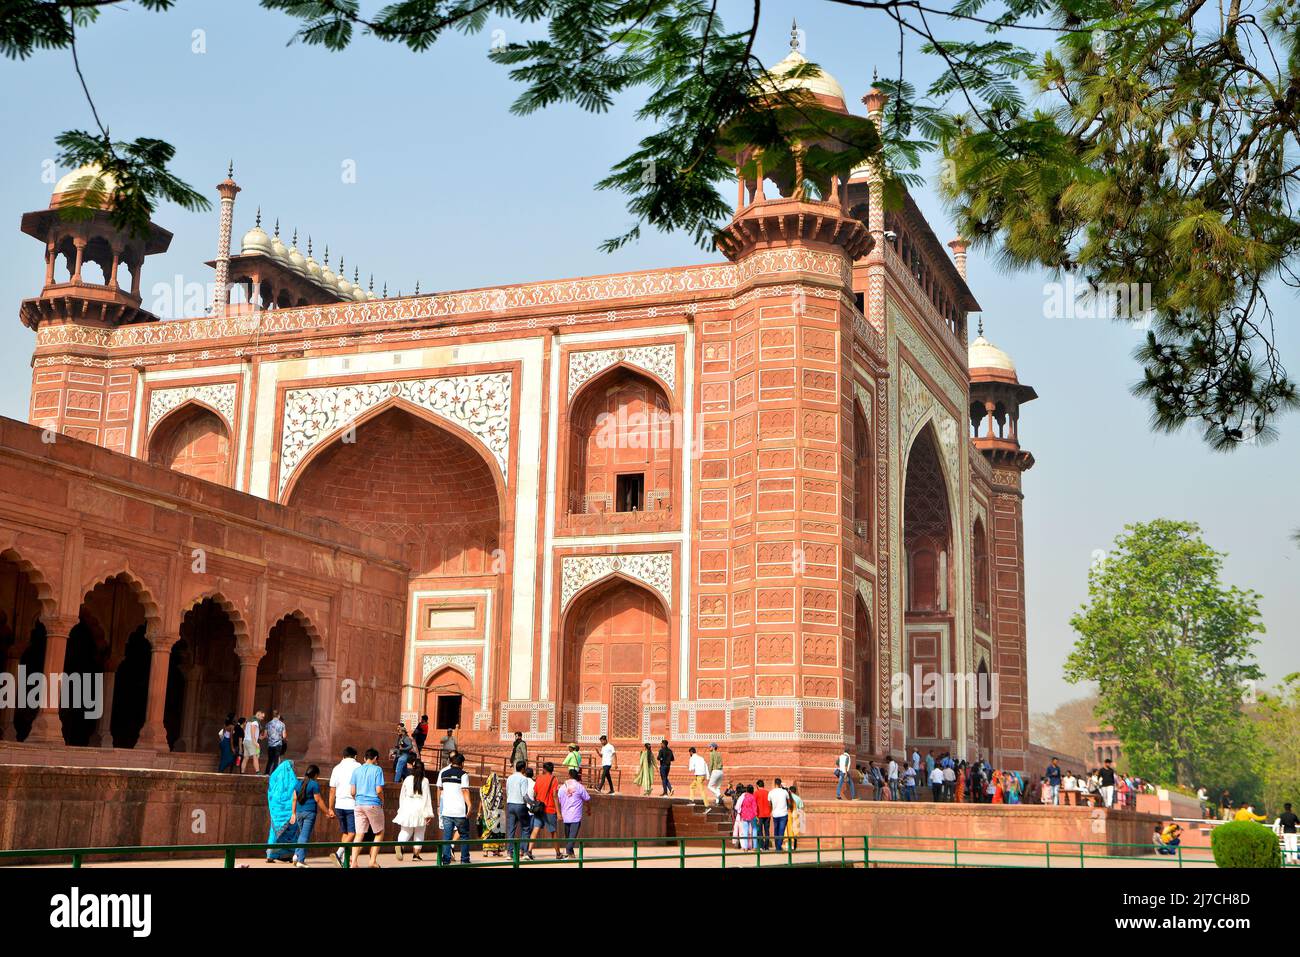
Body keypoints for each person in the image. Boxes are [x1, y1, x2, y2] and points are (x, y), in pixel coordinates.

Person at [350, 748, 386, 868]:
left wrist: (358, 799)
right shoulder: (377, 769)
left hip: (359, 803)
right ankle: (372, 861)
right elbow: (379, 790)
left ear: (365, 758)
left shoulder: (356, 770)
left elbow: (352, 791)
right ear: (375, 758)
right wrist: (382, 800)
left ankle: (354, 862)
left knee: (359, 834)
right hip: (373, 803)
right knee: (379, 832)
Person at [393, 758, 434, 862]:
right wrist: (428, 813)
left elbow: (402, 794)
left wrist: (401, 808)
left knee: (405, 830)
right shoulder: (425, 781)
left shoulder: (407, 779)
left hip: (407, 806)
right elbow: (427, 797)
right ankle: (416, 855)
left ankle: (400, 845)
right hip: (420, 807)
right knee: (420, 832)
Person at [436, 752, 473, 865]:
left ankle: (445, 860)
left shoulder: (444, 774)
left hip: (447, 811)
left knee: (446, 837)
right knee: (464, 836)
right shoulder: (463, 775)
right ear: (462, 763)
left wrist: (438, 805)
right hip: (460, 811)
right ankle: (464, 860)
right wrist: (470, 805)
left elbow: (439, 789)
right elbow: (465, 790)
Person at [290, 764, 327, 867]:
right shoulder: (314, 784)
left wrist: (293, 813)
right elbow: (318, 799)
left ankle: (296, 856)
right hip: (309, 813)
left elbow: (294, 799)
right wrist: (327, 812)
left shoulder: (298, 783)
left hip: (299, 813)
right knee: (304, 836)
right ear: (315, 775)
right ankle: (300, 860)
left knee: (302, 835)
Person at [327, 746, 358, 867]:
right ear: (355, 756)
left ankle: (345, 859)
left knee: (345, 833)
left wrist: (330, 807)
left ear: (343, 756)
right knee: (353, 833)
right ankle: (338, 853)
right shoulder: (358, 767)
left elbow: (332, 790)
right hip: (352, 804)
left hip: (339, 804)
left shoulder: (337, 768)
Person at [265, 759, 299, 862]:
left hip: (276, 812)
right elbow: (294, 795)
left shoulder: (274, 777)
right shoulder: (293, 779)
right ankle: (288, 854)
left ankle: (270, 855)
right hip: (288, 812)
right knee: (290, 832)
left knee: (274, 833)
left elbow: (270, 793)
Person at [556, 767, 591, 859]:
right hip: (575, 815)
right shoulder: (579, 786)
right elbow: (587, 799)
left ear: (569, 776)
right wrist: (588, 809)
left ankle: (571, 854)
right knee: (572, 835)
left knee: (568, 836)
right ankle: (568, 851)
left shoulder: (563, 787)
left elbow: (558, 799)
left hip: (565, 814)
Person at [505, 759, 535, 860]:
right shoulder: (523, 779)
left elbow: (507, 791)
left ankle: (509, 853)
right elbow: (524, 795)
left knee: (511, 829)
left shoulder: (509, 777)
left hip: (510, 804)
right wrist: (532, 803)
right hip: (520, 805)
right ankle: (525, 852)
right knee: (525, 828)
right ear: (523, 769)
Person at [531, 761, 562, 859]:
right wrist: (558, 813)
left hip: (539, 809)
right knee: (553, 832)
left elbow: (534, 794)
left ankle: (529, 851)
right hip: (550, 809)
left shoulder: (539, 778)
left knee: (535, 829)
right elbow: (555, 796)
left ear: (544, 769)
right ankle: (558, 854)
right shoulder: (554, 779)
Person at [478, 771, 506, 857]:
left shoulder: (483, 790)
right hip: (498, 815)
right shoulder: (499, 790)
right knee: (496, 833)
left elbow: (481, 802)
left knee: (487, 833)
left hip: (487, 816)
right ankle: (496, 851)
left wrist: (479, 812)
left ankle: (485, 851)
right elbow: (501, 803)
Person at [769, 778, 790, 851]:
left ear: (775, 784)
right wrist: (787, 807)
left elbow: (769, 803)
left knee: (776, 830)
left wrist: (771, 810)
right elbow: (789, 802)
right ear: (780, 784)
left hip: (775, 813)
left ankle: (778, 846)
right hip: (783, 813)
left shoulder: (771, 792)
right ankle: (778, 846)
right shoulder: (784, 792)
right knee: (781, 831)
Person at [265, 709, 287, 775]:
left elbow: (266, 735)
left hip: (270, 744)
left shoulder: (268, 724)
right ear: (278, 716)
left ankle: (267, 773)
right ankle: (274, 774)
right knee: (276, 760)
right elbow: (284, 736)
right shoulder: (282, 724)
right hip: (278, 744)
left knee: (270, 760)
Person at [753, 779, 771, 850]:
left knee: (760, 831)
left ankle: (762, 845)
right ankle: (766, 846)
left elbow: (754, 805)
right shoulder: (768, 793)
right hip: (767, 814)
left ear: (757, 786)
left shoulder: (756, 793)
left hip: (759, 815)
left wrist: (755, 814)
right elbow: (770, 804)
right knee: (767, 831)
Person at [787, 784, 804, 850]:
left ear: (790, 791)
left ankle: (788, 846)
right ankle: (795, 846)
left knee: (789, 830)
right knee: (795, 831)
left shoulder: (788, 797)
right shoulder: (798, 798)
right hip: (796, 815)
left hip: (789, 815)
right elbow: (801, 808)